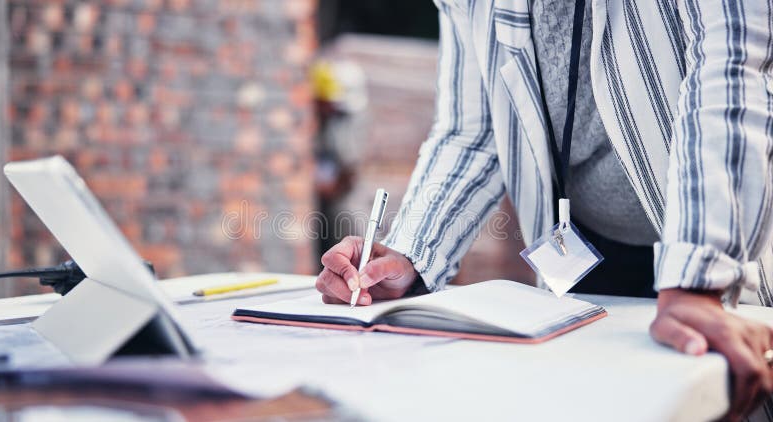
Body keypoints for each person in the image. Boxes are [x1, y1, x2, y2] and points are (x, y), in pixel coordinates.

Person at [316, 0, 773, 419]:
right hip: (587, 261)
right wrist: (411, 254)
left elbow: (733, 69)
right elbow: (471, 130)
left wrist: (698, 275)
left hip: (720, 248)